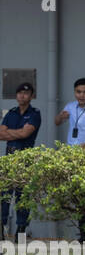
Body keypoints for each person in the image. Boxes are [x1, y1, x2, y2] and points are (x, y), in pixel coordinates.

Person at [0, 82, 40, 237]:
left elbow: (26, 134)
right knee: (5, 194)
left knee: (22, 195)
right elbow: (1, 134)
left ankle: (21, 229)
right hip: (10, 157)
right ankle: (2, 226)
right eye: (19, 93)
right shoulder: (11, 112)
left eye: (26, 93)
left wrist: (12, 132)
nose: (22, 96)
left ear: (31, 96)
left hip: (25, 157)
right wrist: (19, 132)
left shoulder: (35, 113)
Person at [54, 77, 85, 146]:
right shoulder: (70, 106)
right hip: (71, 149)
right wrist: (60, 117)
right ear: (74, 92)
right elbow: (57, 123)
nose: (82, 95)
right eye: (78, 92)